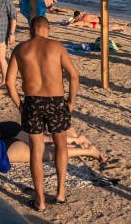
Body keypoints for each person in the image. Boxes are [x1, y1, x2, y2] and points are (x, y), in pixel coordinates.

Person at [6, 16, 79, 212]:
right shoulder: (56, 47)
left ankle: (40, 201)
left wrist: (20, 105)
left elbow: (9, 82)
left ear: (31, 30)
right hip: (55, 101)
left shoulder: (21, 49)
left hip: (32, 101)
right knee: (61, 145)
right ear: (48, 30)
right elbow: (73, 75)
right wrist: (70, 102)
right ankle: (61, 192)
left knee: (35, 151)